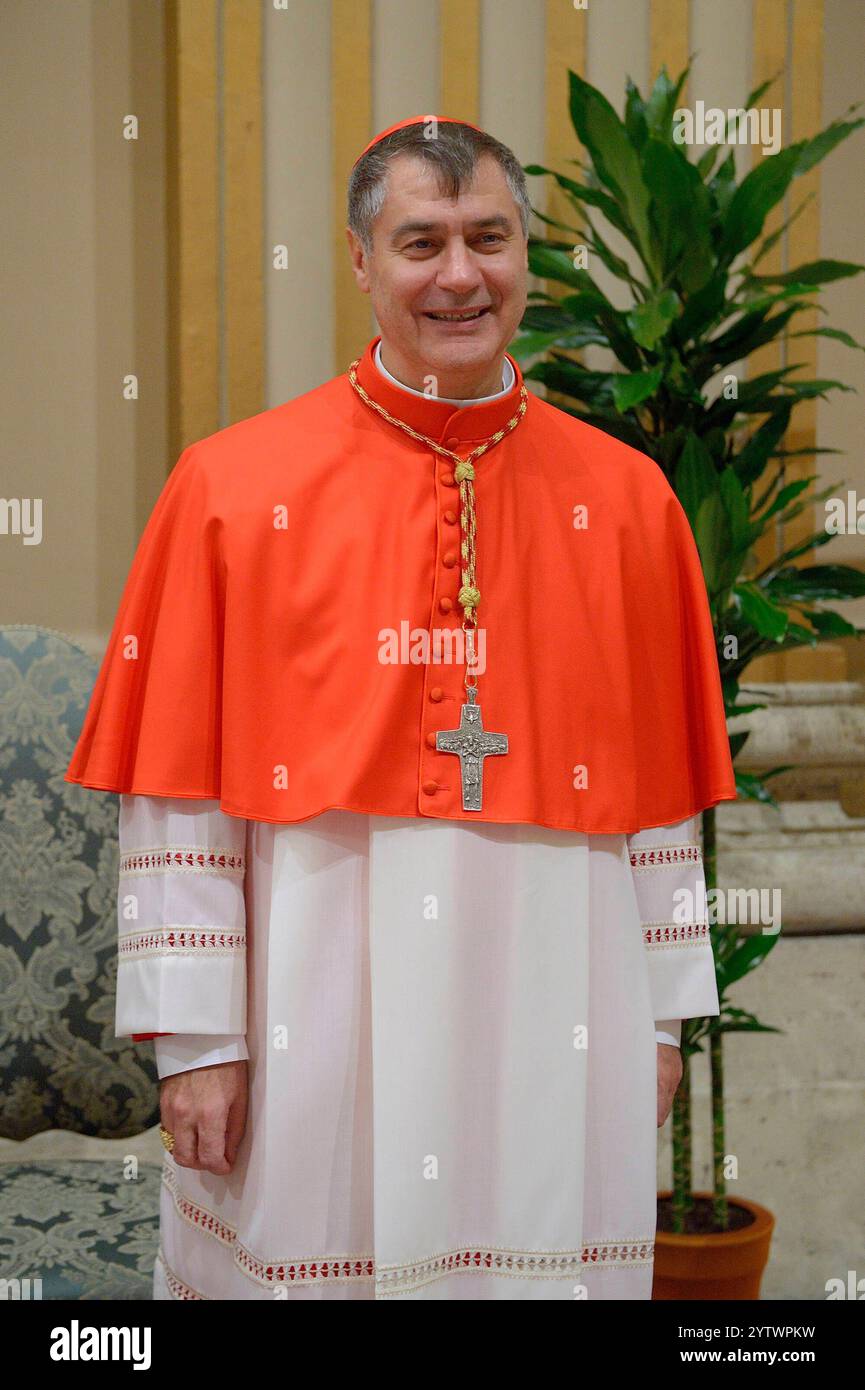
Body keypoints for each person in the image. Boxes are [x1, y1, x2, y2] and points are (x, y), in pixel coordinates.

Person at [66, 115, 736, 1301]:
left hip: (558, 993)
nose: (461, 275)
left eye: (491, 237)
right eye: (420, 241)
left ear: (528, 255)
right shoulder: (233, 489)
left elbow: (659, 792)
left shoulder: (626, 502)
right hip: (309, 992)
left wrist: (661, 1018)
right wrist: (201, 1043)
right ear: (361, 261)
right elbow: (176, 792)